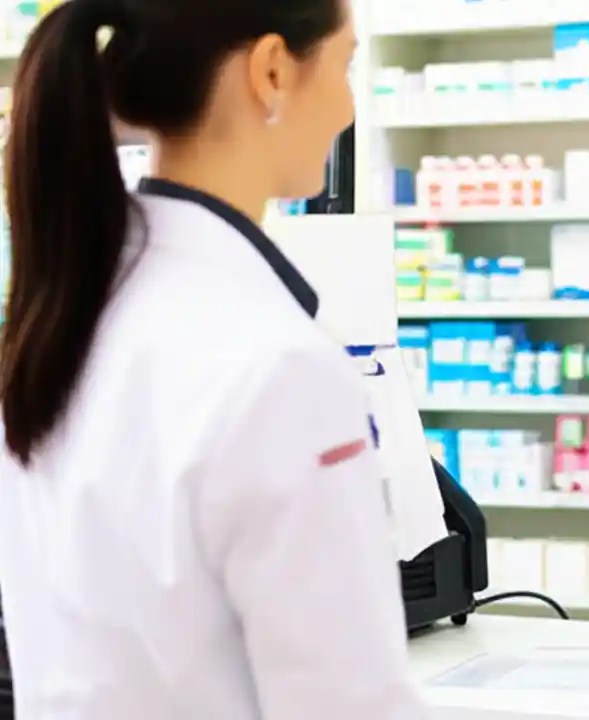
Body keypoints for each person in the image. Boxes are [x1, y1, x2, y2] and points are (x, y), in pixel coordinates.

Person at [0, 1, 429, 717]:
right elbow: (349, 704)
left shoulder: (56, 325)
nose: (348, 109)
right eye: (345, 64)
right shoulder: (279, 366)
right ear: (269, 71)